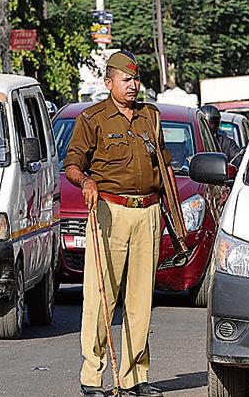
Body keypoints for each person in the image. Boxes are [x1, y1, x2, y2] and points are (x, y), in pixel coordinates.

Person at [64, 51, 171, 397]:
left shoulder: (150, 117)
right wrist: (86, 182)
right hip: (110, 211)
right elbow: (72, 163)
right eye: (127, 80)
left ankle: (134, 376)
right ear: (109, 83)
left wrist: (174, 216)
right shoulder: (92, 118)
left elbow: (164, 168)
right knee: (101, 297)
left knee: (140, 301)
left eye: (136, 80)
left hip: (148, 213)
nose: (133, 86)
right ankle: (93, 376)